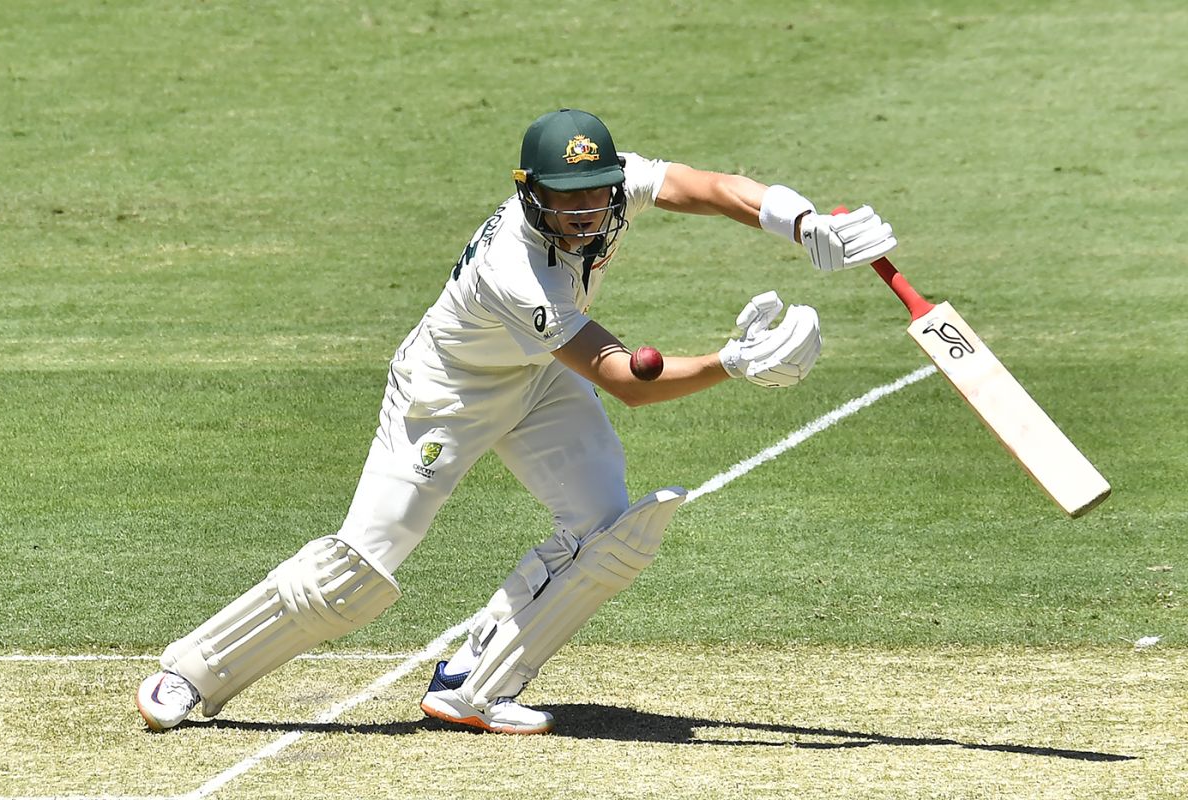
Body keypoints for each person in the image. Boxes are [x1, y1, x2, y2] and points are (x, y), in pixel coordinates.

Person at [136, 108, 895, 735]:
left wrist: (802, 225)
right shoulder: (517, 270)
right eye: (564, 200)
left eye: (593, 196)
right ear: (529, 193)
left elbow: (710, 186)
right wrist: (733, 363)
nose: (583, 213)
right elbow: (626, 381)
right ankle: (191, 672)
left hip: (537, 379)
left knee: (608, 527)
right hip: (448, 394)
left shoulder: (607, 183)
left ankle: (473, 679)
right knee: (358, 574)